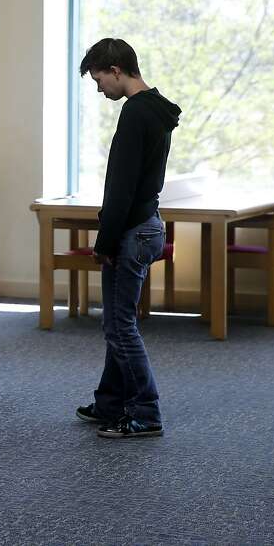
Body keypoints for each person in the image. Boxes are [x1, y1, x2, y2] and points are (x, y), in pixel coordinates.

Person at [74, 38, 181, 438]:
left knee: (120, 327)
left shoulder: (135, 114)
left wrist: (105, 242)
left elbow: (121, 186)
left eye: (99, 79)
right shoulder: (157, 108)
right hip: (148, 223)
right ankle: (111, 403)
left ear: (116, 70)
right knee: (117, 324)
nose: (100, 89)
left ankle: (146, 412)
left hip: (132, 231)